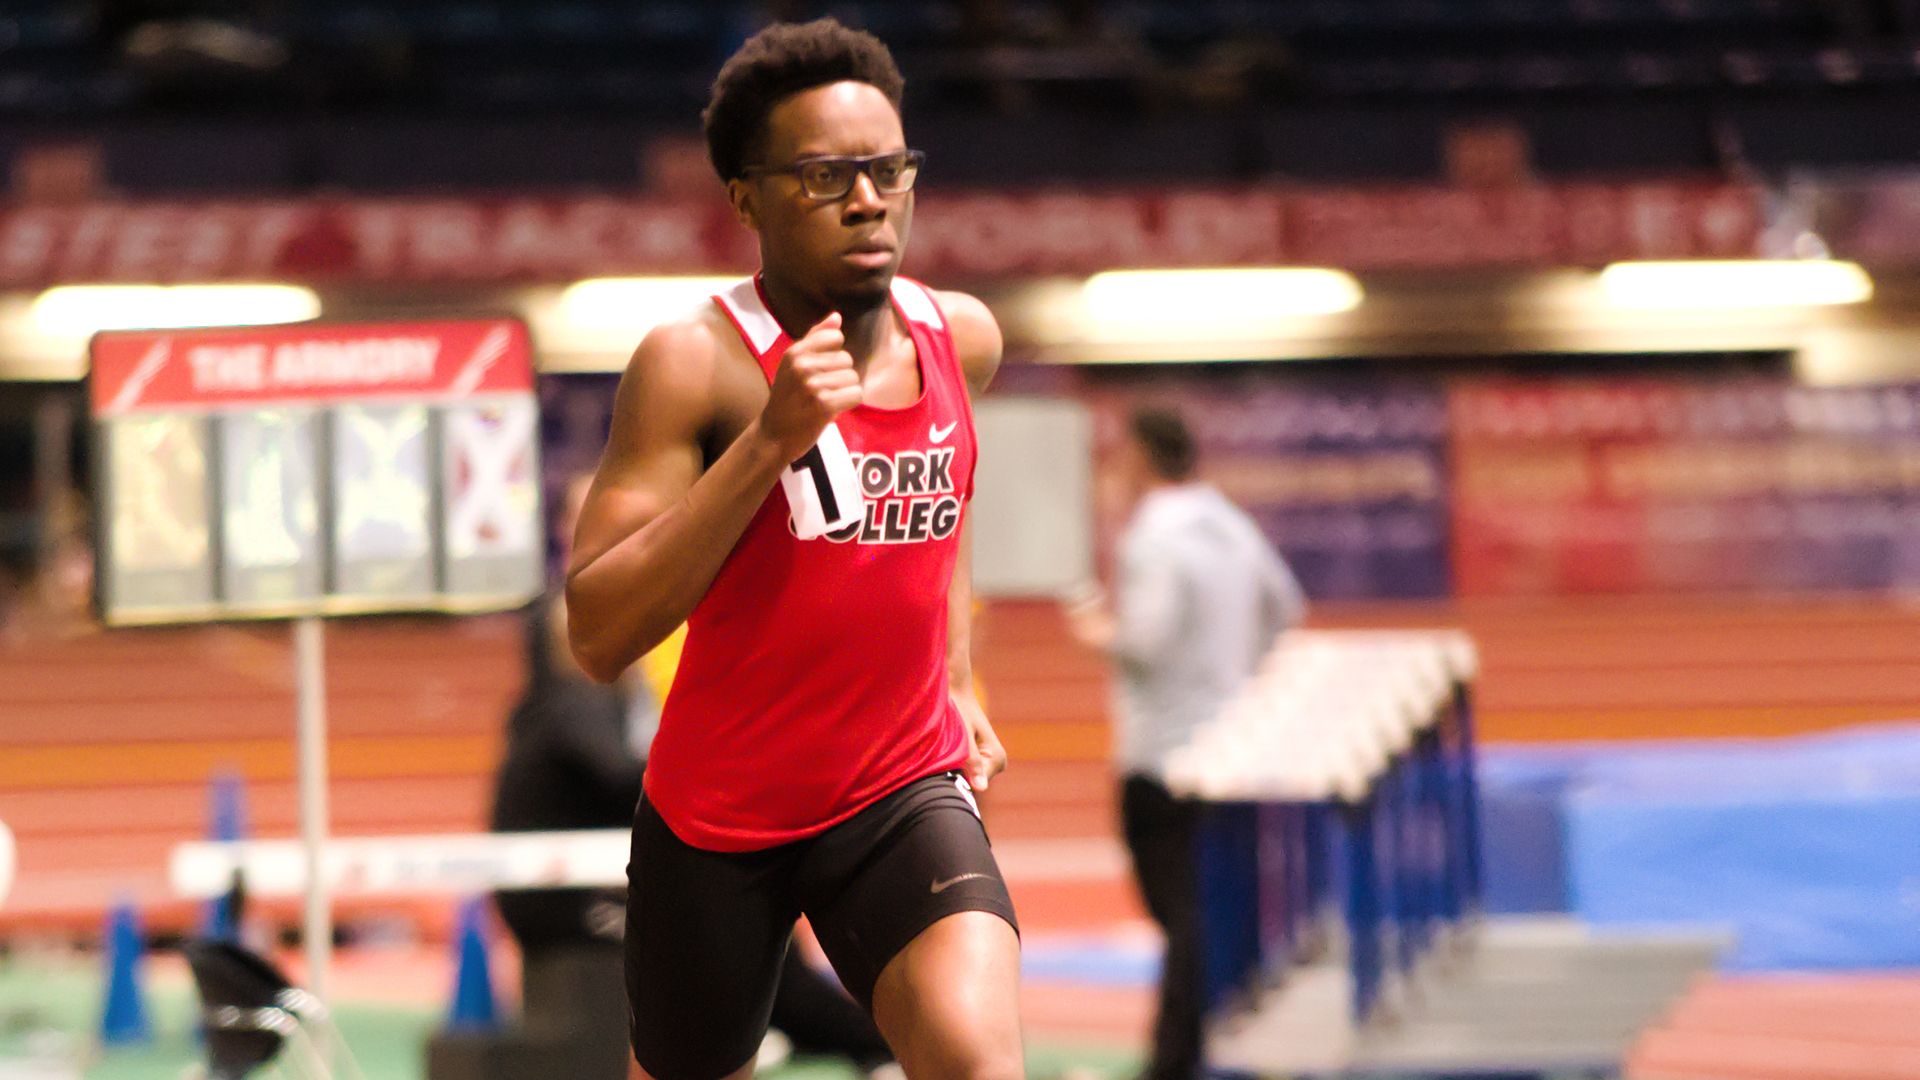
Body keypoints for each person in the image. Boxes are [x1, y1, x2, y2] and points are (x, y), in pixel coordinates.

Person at [563, 18, 1021, 1080]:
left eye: (888, 169)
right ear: (746, 198)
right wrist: (769, 441)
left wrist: (956, 678)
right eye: (825, 176)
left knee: (975, 1061)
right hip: (720, 820)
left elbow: (946, 512)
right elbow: (597, 629)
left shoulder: (965, 338)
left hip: (898, 790)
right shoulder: (695, 365)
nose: (869, 199)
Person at [492, 476, 898, 1079]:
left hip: (612, 876)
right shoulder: (567, 709)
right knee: (717, 947)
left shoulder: (597, 703)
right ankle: (866, 1045)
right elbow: (624, 777)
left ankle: (840, 1040)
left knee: (757, 944)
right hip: (562, 903)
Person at [1064, 407, 1307, 1080]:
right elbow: (1286, 606)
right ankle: (1215, 1043)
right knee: (1214, 906)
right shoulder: (1232, 523)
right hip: (1233, 749)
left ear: (1141, 459)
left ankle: (1173, 1062)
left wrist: (1097, 631)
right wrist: (1242, 674)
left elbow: (1146, 637)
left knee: (1184, 918)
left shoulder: (1151, 536)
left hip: (1164, 756)